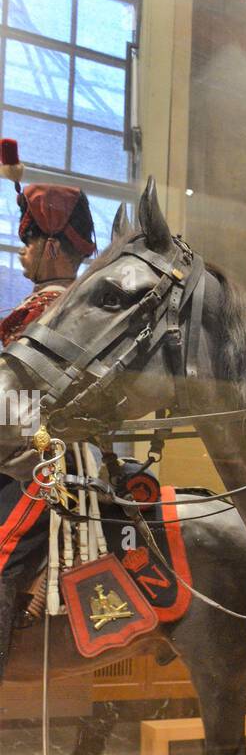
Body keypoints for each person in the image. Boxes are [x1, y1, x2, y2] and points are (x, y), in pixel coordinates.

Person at [0, 139, 97, 680]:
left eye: (31, 238)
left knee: (2, 552)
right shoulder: (40, 308)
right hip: (15, 451)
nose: (22, 251)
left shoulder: (57, 312)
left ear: (57, 247)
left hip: (43, 462)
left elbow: (26, 399)